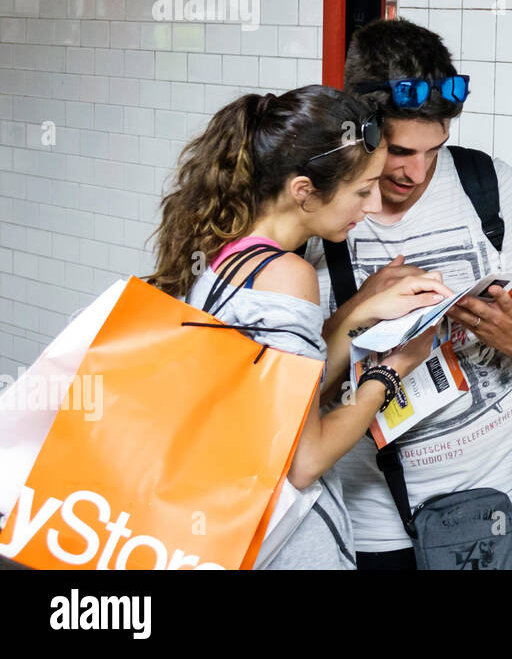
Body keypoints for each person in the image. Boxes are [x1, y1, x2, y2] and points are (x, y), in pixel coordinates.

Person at [305, 18, 512, 570]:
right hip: (379, 526)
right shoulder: (319, 217)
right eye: (400, 151)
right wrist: (359, 319)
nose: (417, 172)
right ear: (357, 128)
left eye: (435, 151)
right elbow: (282, 397)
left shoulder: (491, 184)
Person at [147, 84, 456, 569]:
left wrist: (361, 309)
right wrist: (393, 370)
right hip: (289, 551)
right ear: (304, 192)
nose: (373, 205)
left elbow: (281, 400)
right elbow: (304, 459)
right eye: (361, 190)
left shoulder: (230, 253)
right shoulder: (286, 274)